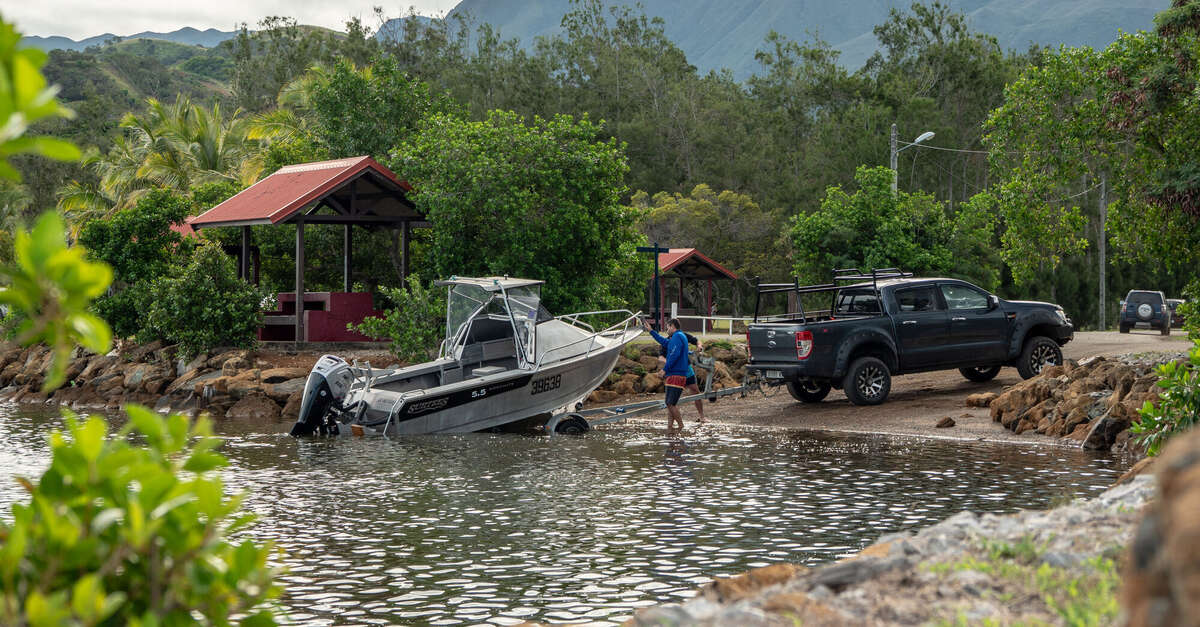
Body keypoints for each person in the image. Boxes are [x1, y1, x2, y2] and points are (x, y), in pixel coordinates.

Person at [644, 317, 688, 430]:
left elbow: (674, 355)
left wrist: (665, 369)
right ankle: (670, 427)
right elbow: (664, 342)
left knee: (670, 404)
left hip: (676, 374)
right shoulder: (678, 337)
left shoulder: (677, 336)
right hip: (677, 374)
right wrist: (651, 331)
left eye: (667, 327)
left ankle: (681, 426)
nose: (666, 330)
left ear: (672, 327)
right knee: (670, 403)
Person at [656, 328, 707, 423]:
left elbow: (696, 341)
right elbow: (660, 357)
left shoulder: (683, 335)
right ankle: (671, 424)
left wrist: (699, 346)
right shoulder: (666, 342)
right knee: (671, 400)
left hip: (686, 369)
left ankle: (702, 417)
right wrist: (670, 363)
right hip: (674, 372)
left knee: (695, 391)